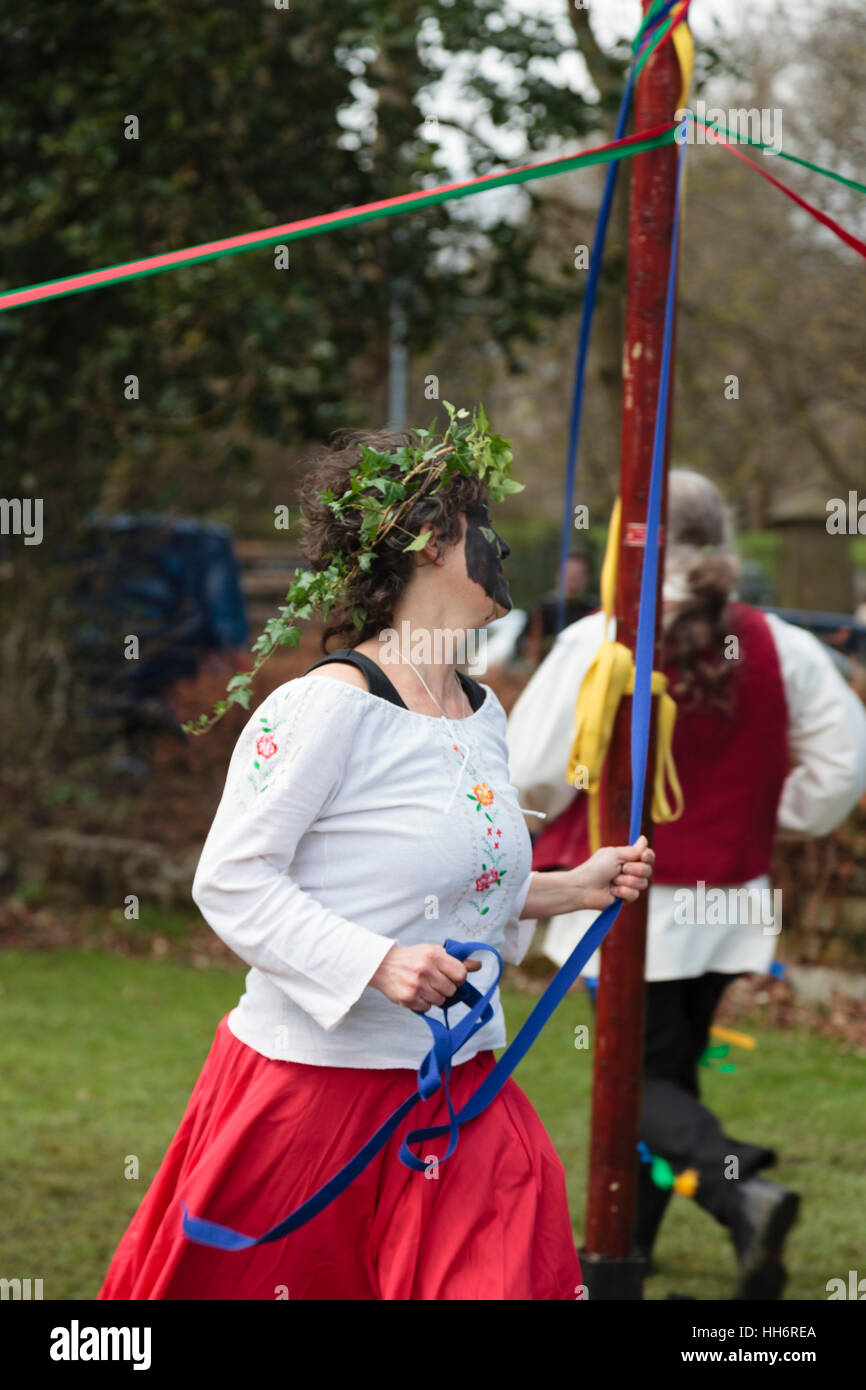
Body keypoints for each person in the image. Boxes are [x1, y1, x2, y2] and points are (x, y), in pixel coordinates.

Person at [98, 416, 653, 1302]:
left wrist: (570, 889)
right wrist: (377, 963)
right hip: (314, 1095)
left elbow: (452, 894)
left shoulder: (482, 712)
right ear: (433, 542)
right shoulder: (325, 708)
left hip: (459, 1091)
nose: (505, 548)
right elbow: (231, 880)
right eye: (484, 526)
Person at [507, 469, 866, 1300]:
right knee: (669, 1071)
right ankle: (632, 1239)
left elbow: (532, 771)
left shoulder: (603, 637)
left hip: (624, 895)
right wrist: (768, 818)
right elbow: (844, 767)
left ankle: (742, 1193)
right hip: (730, 902)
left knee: (632, 1080)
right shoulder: (781, 641)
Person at [525, 545, 599, 668]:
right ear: (558, 576)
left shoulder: (595, 610)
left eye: (578, 575)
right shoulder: (544, 607)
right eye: (568, 574)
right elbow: (524, 643)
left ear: (588, 579)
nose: (573, 579)